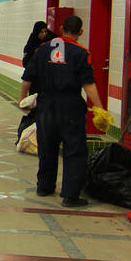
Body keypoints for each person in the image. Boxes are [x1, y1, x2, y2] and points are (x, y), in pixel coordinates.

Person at [19, 14, 103, 207]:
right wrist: (99, 107)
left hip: (46, 104)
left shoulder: (42, 49)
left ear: (62, 28)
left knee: (47, 146)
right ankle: (70, 195)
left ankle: (44, 186)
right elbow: (88, 83)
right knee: (74, 149)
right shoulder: (81, 52)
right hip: (70, 105)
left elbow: (27, 78)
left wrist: (22, 99)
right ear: (80, 32)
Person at [17, 21, 52, 140]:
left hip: (47, 85)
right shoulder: (32, 45)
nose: (44, 34)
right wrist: (22, 98)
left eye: (45, 31)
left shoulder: (52, 40)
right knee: (36, 110)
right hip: (36, 83)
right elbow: (27, 72)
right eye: (41, 32)